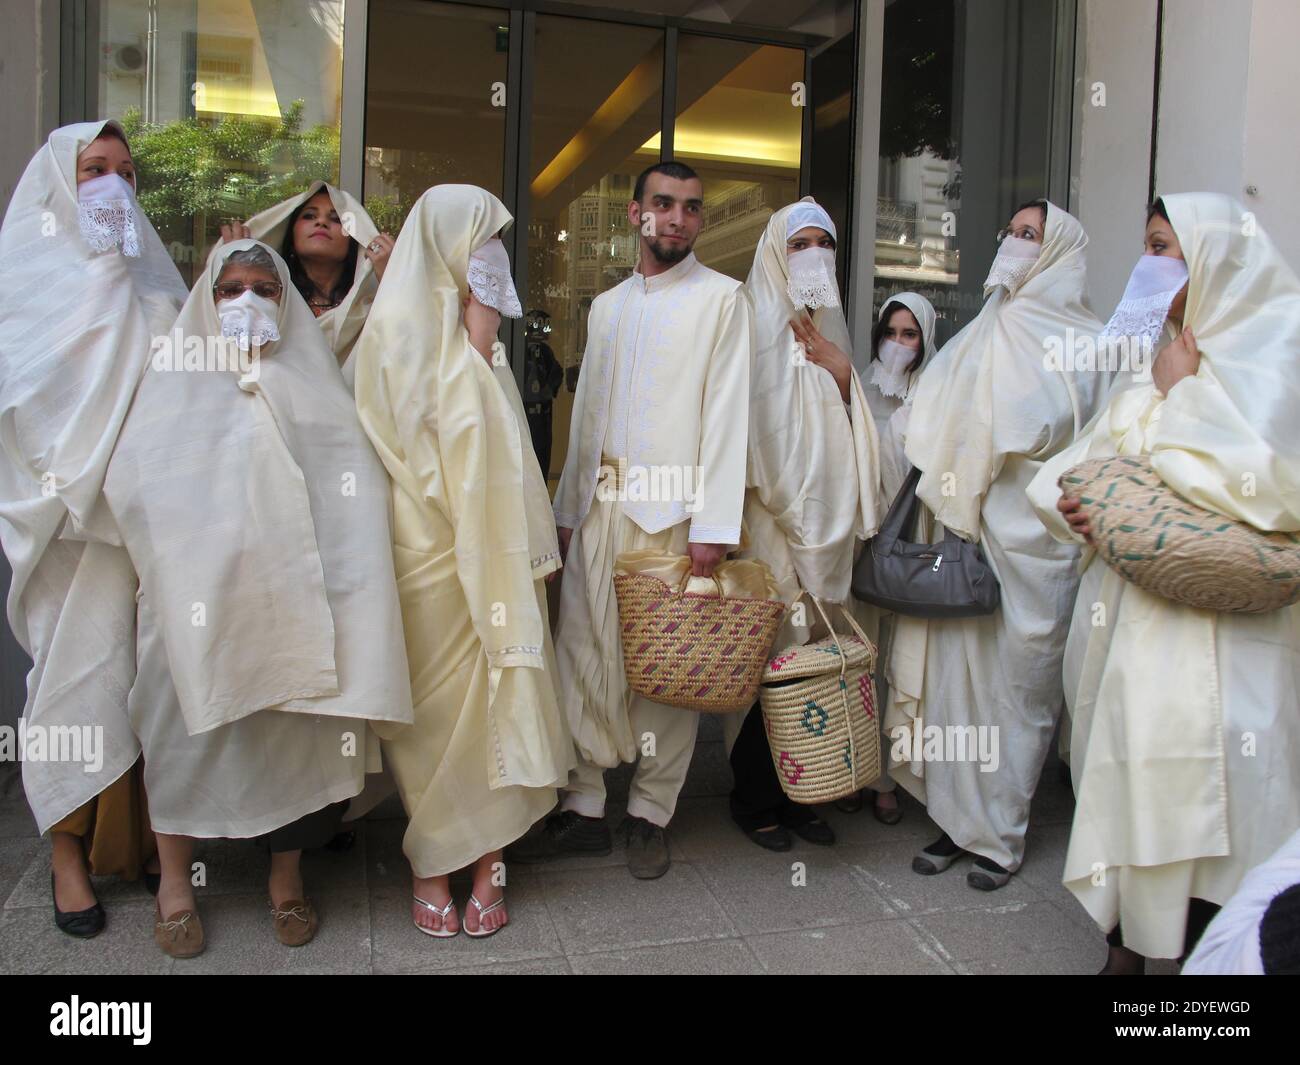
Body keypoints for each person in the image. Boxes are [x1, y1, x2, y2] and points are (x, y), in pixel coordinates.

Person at [98, 238, 414, 957]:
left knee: (295, 743)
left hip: (297, 612)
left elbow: (355, 494)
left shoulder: (315, 382)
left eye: (263, 289)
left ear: (286, 302)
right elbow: (136, 485)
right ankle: (177, 886)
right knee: (181, 731)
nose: (246, 300)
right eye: (230, 287)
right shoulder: (174, 379)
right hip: (197, 607)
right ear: (207, 302)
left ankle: (285, 878)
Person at [1028, 194, 1300, 972]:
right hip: (1139, 638)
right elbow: (1072, 472)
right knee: (1135, 790)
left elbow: (1270, 487)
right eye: (1148, 246)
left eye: (1167, 249)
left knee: (1230, 809)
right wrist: (1081, 504)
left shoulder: (1276, 354)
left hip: (1237, 643)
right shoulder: (1160, 358)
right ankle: (1124, 950)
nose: (1152, 266)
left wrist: (1181, 398)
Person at [511, 161, 754, 879]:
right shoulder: (608, 306)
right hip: (598, 508)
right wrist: (565, 508)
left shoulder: (724, 300)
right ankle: (584, 803)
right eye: (664, 204)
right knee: (582, 652)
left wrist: (713, 525)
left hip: (673, 514)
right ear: (635, 214)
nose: (678, 218)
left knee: (665, 668)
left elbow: (728, 414)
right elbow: (584, 416)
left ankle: (650, 810)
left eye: (692, 207)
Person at [352, 185, 572, 938]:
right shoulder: (389, 338)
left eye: (498, 243)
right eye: (482, 242)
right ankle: (431, 859)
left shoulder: (487, 356)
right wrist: (472, 349)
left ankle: (488, 865)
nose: (493, 260)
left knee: (495, 703)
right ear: (444, 246)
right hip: (420, 557)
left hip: (495, 556)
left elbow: (504, 457)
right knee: (433, 716)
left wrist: (478, 342)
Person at [0, 120, 189, 938]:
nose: (112, 183)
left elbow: (189, 392)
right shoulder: (25, 285)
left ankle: (136, 843)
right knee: (73, 680)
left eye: (123, 171)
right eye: (92, 170)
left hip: (141, 524)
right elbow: (27, 413)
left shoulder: (156, 283)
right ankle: (66, 854)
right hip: (69, 530)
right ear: (57, 186)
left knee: (141, 681)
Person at [886, 199, 1106, 891]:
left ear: (1058, 250)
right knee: (960, 686)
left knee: (1019, 693)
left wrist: (981, 440)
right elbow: (926, 414)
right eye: (1008, 230)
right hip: (966, 534)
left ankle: (1000, 836)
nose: (1011, 242)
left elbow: (1056, 431)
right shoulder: (985, 329)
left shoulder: (1090, 341)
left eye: (1028, 234)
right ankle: (955, 821)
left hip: (1038, 544)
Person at [725, 197, 884, 851]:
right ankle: (753, 793)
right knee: (774, 660)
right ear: (774, 253)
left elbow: (853, 435)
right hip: (775, 529)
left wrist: (845, 380)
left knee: (815, 663)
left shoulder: (832, 329)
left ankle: (802, 789)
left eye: (823, 243)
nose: (812, 254)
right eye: (799, 244)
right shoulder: (750, 322)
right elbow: (749, 435)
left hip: (830, 535)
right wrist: (794, 518)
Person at [838, 291, 939, 824]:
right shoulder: (858, 387)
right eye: (890, 333)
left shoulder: (934, 394)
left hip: (911, 547)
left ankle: (886, 778)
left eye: (910, 335)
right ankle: (851, 770)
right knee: (858, 661)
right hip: (861, 545)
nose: (898, 345)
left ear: (924, 342)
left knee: (900, 665)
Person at [218, 181, 393, 382]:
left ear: (354, 241)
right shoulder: (271, 300)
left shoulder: (369, 307)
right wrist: (234, 271)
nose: (321, 222)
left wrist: (391, 279)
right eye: (309, 216)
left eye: (336, 219)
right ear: (291, 236)